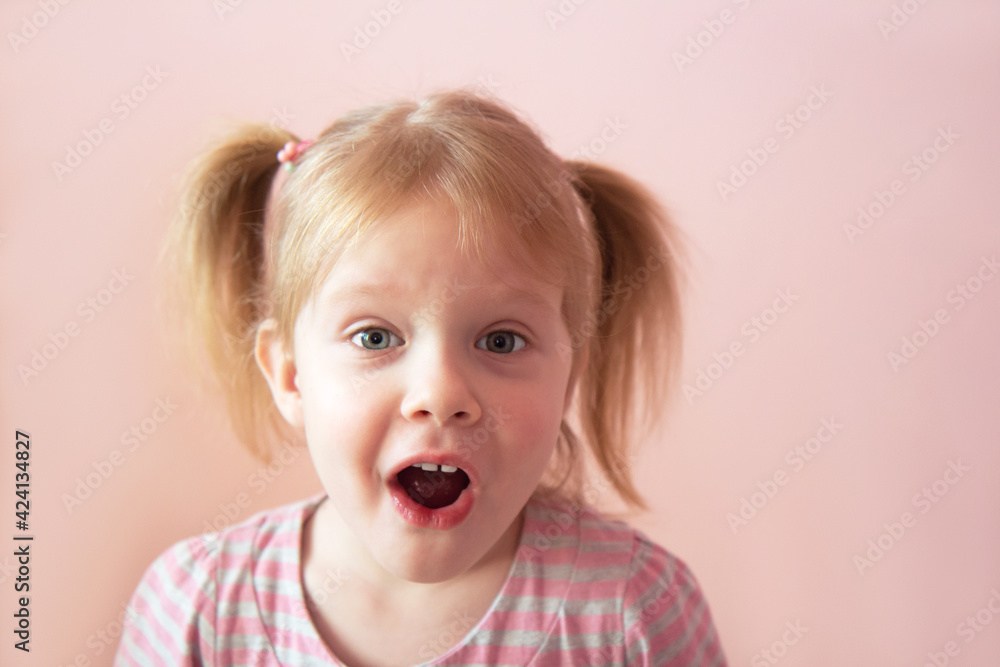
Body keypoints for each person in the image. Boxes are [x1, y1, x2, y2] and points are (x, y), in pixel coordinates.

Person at [114, 88, 728, 666]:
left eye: (501, 340)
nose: (440, 394)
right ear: (291, 375)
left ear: (569, 378)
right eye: (375, 338)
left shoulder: (634, 612)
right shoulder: (199, 608)